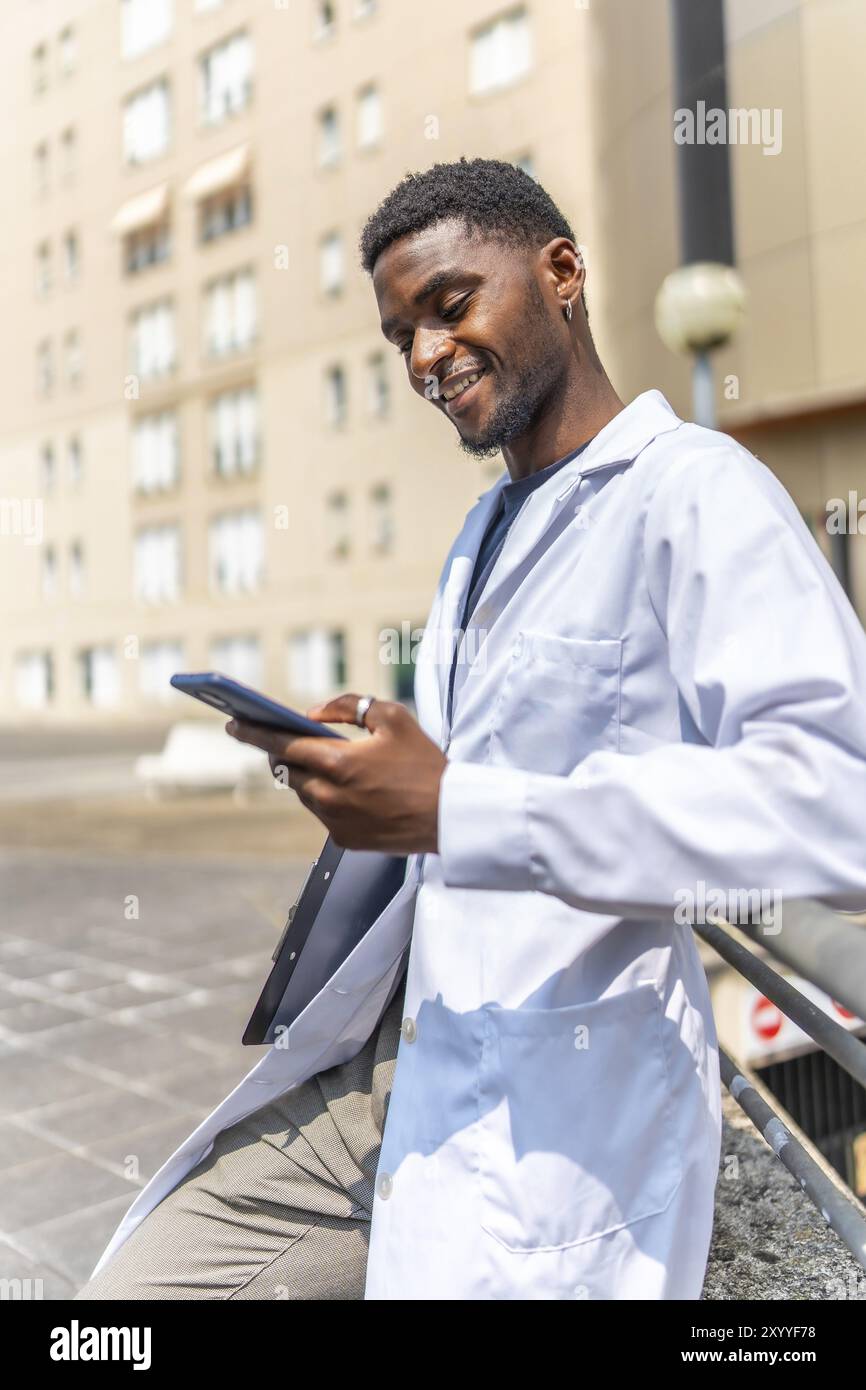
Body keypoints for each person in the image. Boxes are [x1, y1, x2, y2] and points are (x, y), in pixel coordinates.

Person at [77, 157, 866, 1301]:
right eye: (401, 336)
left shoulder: (694, 494)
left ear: (559, 273)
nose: (426, 356)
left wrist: (455, 806)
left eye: (449, 306)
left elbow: (834, 804)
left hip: (552, 1096)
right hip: (386, 1055)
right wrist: (381, 755)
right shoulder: (483, 528)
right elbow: (482, 764)